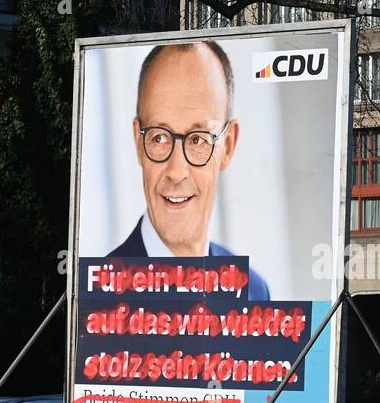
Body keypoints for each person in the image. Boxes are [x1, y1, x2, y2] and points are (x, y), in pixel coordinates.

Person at [105, 40, 270, 301]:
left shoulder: (254, 292)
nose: (177, 171)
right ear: (138, 141)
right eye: (159, 138)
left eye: (198, 140)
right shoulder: (100, 294)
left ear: (228, 145)